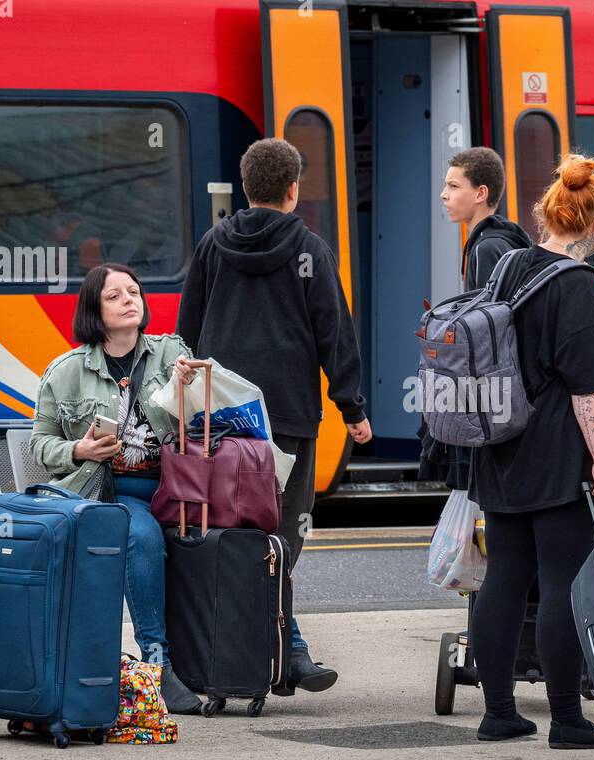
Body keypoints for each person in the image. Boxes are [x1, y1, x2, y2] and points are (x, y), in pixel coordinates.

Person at [177, 137, 371, 695]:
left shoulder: (214, 245)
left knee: (228, 531)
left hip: (219, 420)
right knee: (282, 536)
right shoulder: (310, 249)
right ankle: (284, 649)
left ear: (245, 187)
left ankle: (261, 650)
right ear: (293, 190)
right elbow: (334, 331)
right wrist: (351, 407)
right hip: (285, 418)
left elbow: (187, 334)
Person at [467, 153, 594, 749]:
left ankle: (498, 712)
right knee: (562, 581)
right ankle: (567, 718)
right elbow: (589, 392)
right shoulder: (580, 287)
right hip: (557, 456)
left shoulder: (508, 265)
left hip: (499, 444)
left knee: (504, 577)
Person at [30, 262, 202, 714]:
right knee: (140, 538)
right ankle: (158, 663)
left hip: (177, 488)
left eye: (134, 291)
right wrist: (81, 451)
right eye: (115, 295)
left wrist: (191, 390)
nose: (130, 300)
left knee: (250, 532)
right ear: (94, 309)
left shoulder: (171, 354)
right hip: (113, 492)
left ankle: (279, 651)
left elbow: (203, 422)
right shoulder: (66, 371)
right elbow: (41, 443)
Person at [422, 147, 533, 490]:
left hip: (489, 396)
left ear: (481, 193)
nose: (444, 194)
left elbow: (487, 329)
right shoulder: (503, 240)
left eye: (454, 186)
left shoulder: (486, 248)